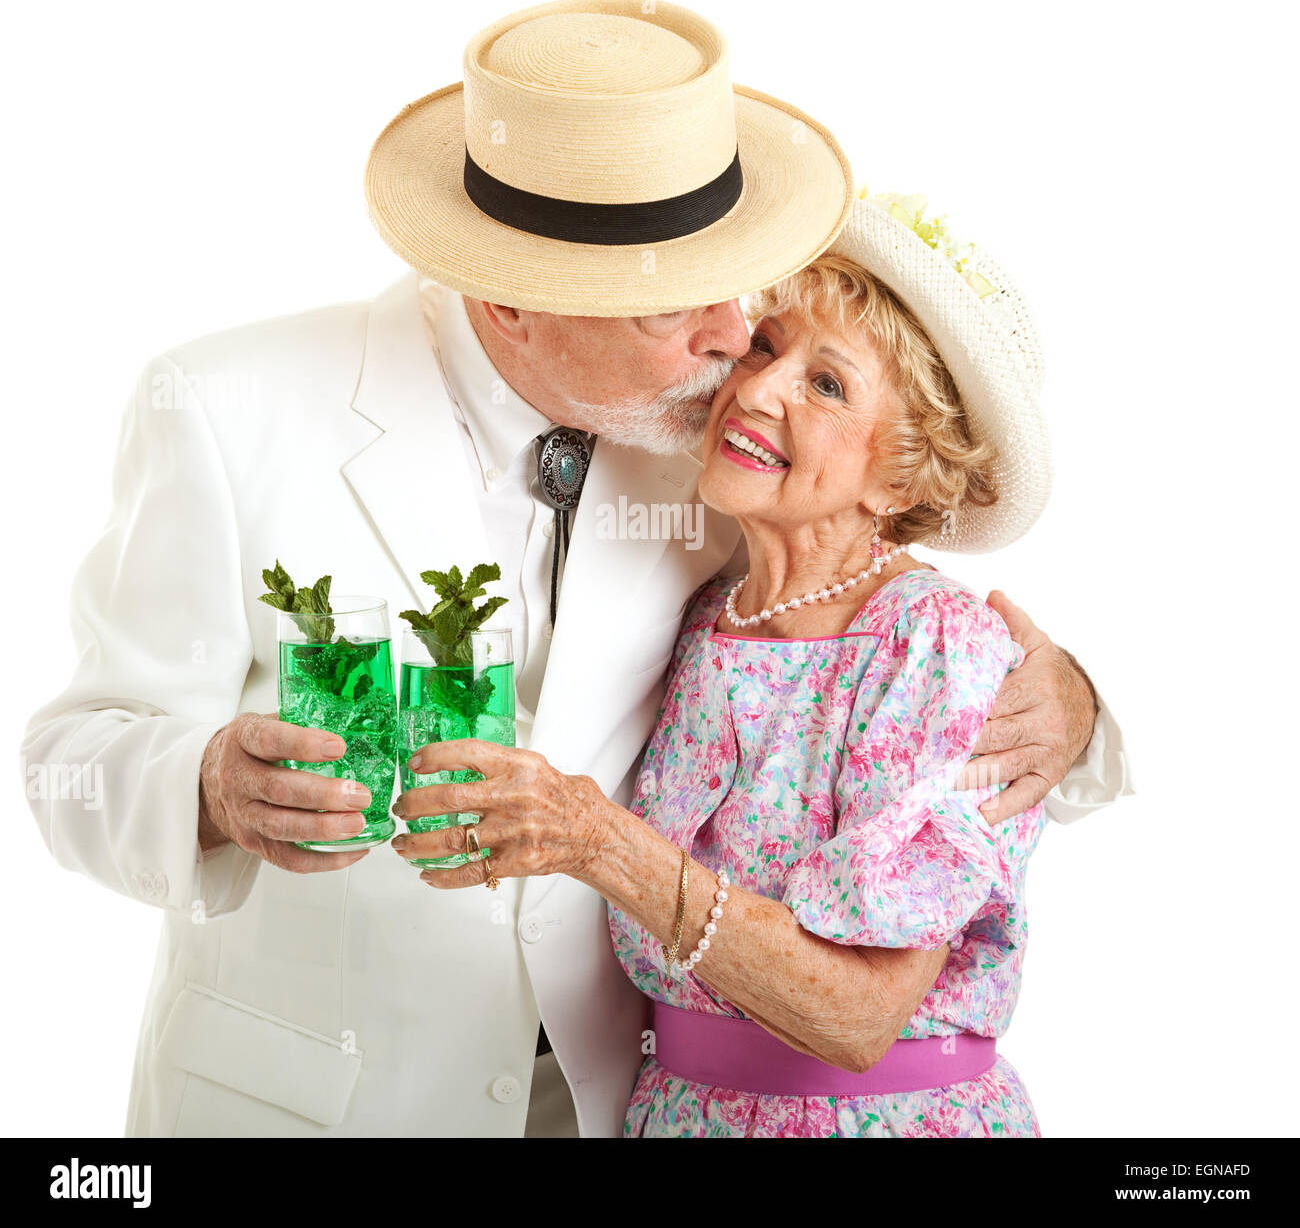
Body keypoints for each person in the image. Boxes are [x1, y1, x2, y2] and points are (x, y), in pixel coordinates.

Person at [22, 0, 1127, 1139]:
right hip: (312, 1110)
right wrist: (205, 784)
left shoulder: (714, 454)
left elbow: (886, 629)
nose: (731, 343)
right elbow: (74, 752)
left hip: (613, 1109)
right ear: (513, 299)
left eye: (734, 281)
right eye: (677, 299)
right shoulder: (227, 407)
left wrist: (1075, 703)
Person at [394, 190, 1077, 1136]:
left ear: (903, 474)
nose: (756, 390)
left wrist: (596, 840)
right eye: (766, 347)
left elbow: (859, 1013)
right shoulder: (706, 607)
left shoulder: (937, 646)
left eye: (827, 384)